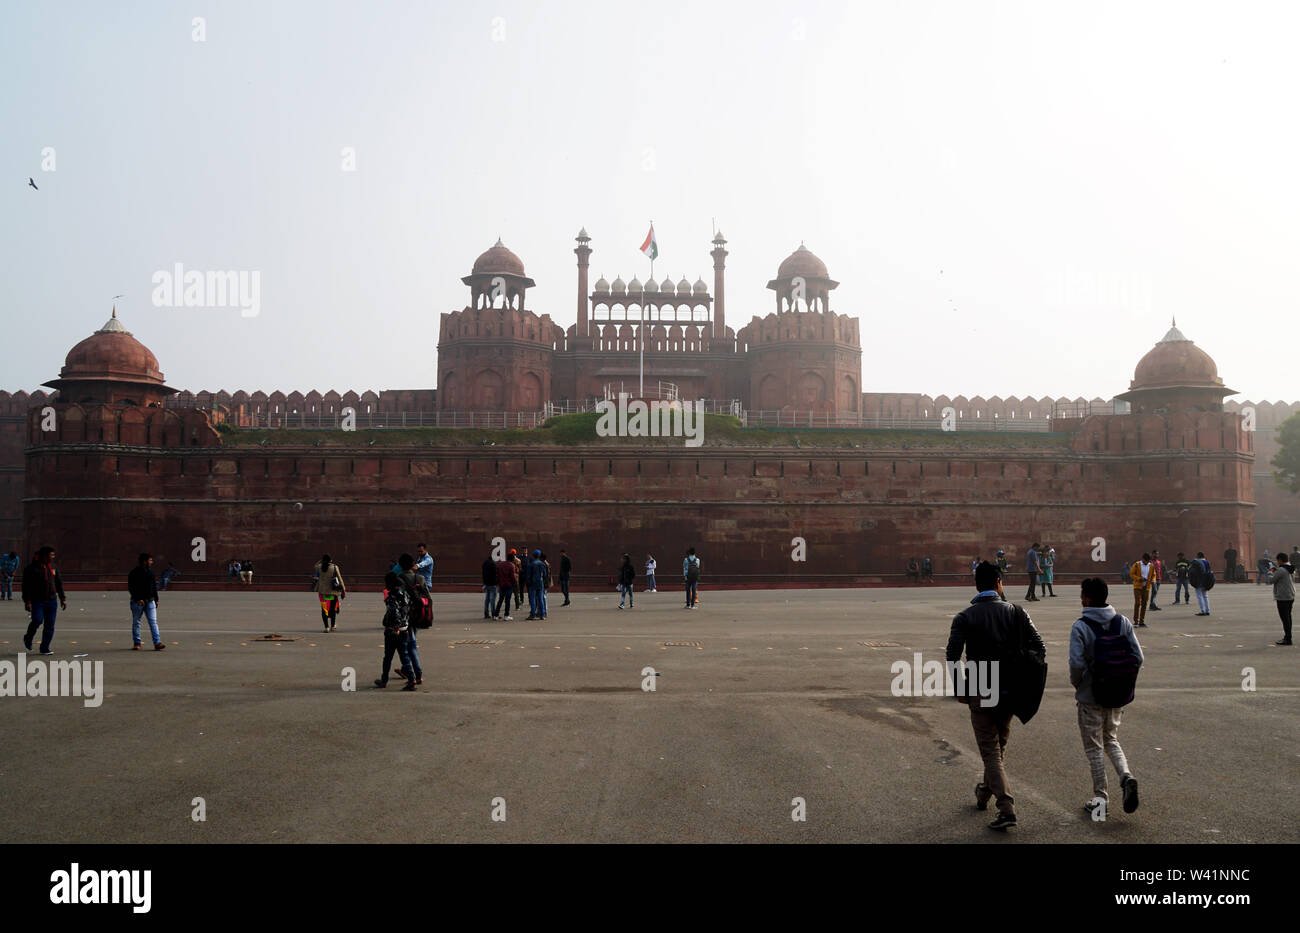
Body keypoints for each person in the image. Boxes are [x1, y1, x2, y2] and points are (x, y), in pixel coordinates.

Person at [946, 561, 1047, 831]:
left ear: (976, 585)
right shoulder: (1017, 612)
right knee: (997, 750)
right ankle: (983, 792)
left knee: (991, 752)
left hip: (981, 686)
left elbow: (953, 657)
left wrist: (961, 689)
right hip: (1011, 689)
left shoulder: (964, 617)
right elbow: (1039, 647)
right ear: (999, 583)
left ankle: (1006, 808)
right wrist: (1025, 674)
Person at [1069, 577, 1142, 817]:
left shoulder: (1081, 626)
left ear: (1087, 598)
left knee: (1094, 748)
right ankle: (1126, 776)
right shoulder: (1122, 622)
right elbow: (1138, 657)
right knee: (1111, 739)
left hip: (1091, 696)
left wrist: (1078, 683)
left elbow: (1077, 664)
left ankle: (1100, 799)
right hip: (1117, 694)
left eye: (1082, 594)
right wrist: (1123, 679)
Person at [374, 571, 417, 691]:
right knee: (404, 656)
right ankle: (412, 679)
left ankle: (384, 680)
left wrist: (395, 627)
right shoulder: (405, 593)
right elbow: (408, 609)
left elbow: (394, 612)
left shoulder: (392, 596)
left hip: (393, 630)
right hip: (404, 629)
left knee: (388, 657)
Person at [22, 546, 66, 655]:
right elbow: (26, 586)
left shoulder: (53, 567)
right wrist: (27, 602)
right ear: (45, 556)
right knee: (37, 620)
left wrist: (62, 598)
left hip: (51, 601)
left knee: (49, 625)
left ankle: (45, 648)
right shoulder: (31, 569)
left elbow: (58, 583)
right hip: (37, 601)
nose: (53, 557)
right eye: (51, 555)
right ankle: (28, 637)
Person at [393, 554, 425, 685]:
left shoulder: (399, 579)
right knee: (412, 644)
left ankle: (415, 674)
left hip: (404, 617)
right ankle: (411, 672)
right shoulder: (420, 578)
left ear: (400, 565)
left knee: (408, 646)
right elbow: (426, 598)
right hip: (417, 615)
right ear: (413, 565)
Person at [128, 552, 166, 650]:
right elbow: (131, 588)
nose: (152, 562)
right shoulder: (134, 573)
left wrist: (156, 599)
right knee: (136, 622)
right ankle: (137, 643)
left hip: (150, 601)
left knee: (153, 622)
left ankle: (157, 643)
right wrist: (137, 599)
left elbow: (153, 587)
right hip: (138, 602)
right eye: (150, 560)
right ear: (144, 561)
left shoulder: (151, 572)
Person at [313, 554, 346, 631]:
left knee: (324, 609)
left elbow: (315, 566)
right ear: (330, 560)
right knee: (332, 609)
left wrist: (321, 560)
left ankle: (326, 627)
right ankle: (332, 626)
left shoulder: (319, 567)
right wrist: (343, 589)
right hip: (333, 592)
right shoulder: (334, 567)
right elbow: (340, 579)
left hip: (322, 592)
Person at [1270, 553, 1294, 646]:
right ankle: (1288, 637)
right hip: (1290, 595)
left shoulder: (1281, 570)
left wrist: (1270, 572)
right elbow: (1283, 575)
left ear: (1280, 560)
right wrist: (1276, 571)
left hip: (1283, 597)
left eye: (1278, 560)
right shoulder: (1290, 568)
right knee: (1288, 617)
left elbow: (1271, 580)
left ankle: (1287, 639)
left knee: (1285, 619)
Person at [1129, 552, 1155, 627]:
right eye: (1145, 561)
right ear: (1142, 559)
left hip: (1146, 587)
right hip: (1137, 587)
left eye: (1148, 561)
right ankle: (1135, 621)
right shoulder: (1137, 565)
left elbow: (1153, 575)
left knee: (1144, 604)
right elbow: (1131, 574)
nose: (1147, 562)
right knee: (1137, 603)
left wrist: (1153, 580)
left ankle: (1141, 621)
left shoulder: (1151, 566)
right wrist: (1138, 578)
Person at [525, 549, 547, 620]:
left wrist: (528, 583)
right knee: (540, 599)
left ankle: (532, 614)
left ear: (533, 556)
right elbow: (544, 575)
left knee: (533, 599)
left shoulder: (531, 564)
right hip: (540, 583)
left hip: (532, 584)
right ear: (539, 556)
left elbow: (528, 576)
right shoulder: (542, 564)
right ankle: (542, 615)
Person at [494, 551, 517, 620]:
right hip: (509, 585)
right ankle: (506, 615)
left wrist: (498, 582)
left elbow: (497, 575)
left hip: (502, 585)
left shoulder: (500, 564)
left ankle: (496, 615)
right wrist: (515, 583)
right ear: (512, 559)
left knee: (500, 600)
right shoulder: (512, 565)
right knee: (507, 601)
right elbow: (512, 576)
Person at [1189, 552, 1212, 616]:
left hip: (1199, 581)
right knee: (1205, 596)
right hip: (1206, 581)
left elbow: (1192, 572)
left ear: (1198, 556)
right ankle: (1208, 610)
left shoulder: (1196, 562)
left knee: (1199, 596)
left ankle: (1202, 611)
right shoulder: (1207, 562)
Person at [481, 552, 498, 620]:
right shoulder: (493, 564)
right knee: (492, 600)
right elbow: (496, 574)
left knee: (487, 599)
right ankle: (494, 614)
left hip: (486, 584)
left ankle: (486, 614)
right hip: (493, 584)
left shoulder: (484, 563)